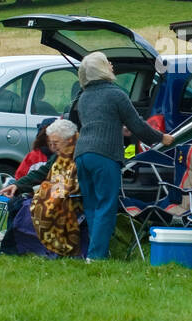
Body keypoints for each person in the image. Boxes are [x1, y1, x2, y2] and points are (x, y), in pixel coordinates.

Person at [69, 51, 172, 260]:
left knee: (91, 205)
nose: (111, 65)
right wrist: (162, 138)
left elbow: (95, 123)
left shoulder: (83, 97)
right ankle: (96, 256)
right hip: (104, 154)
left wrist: (118, 127)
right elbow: (138, 126)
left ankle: (93, 251)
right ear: (101, 69)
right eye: (107, 63)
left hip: (82, 155)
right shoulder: (115, 93)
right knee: (107, 205)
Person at [0, 119, 85, 256]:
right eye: (51, 143)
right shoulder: (60, 154)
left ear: (69, 139)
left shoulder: (81, 153)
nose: (53, 147)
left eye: (56, 143)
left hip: (73, 200)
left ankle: (15, 248)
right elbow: (42, 172)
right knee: (16, 202)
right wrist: (17, 185)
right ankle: (13, 247)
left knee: (23, 206)